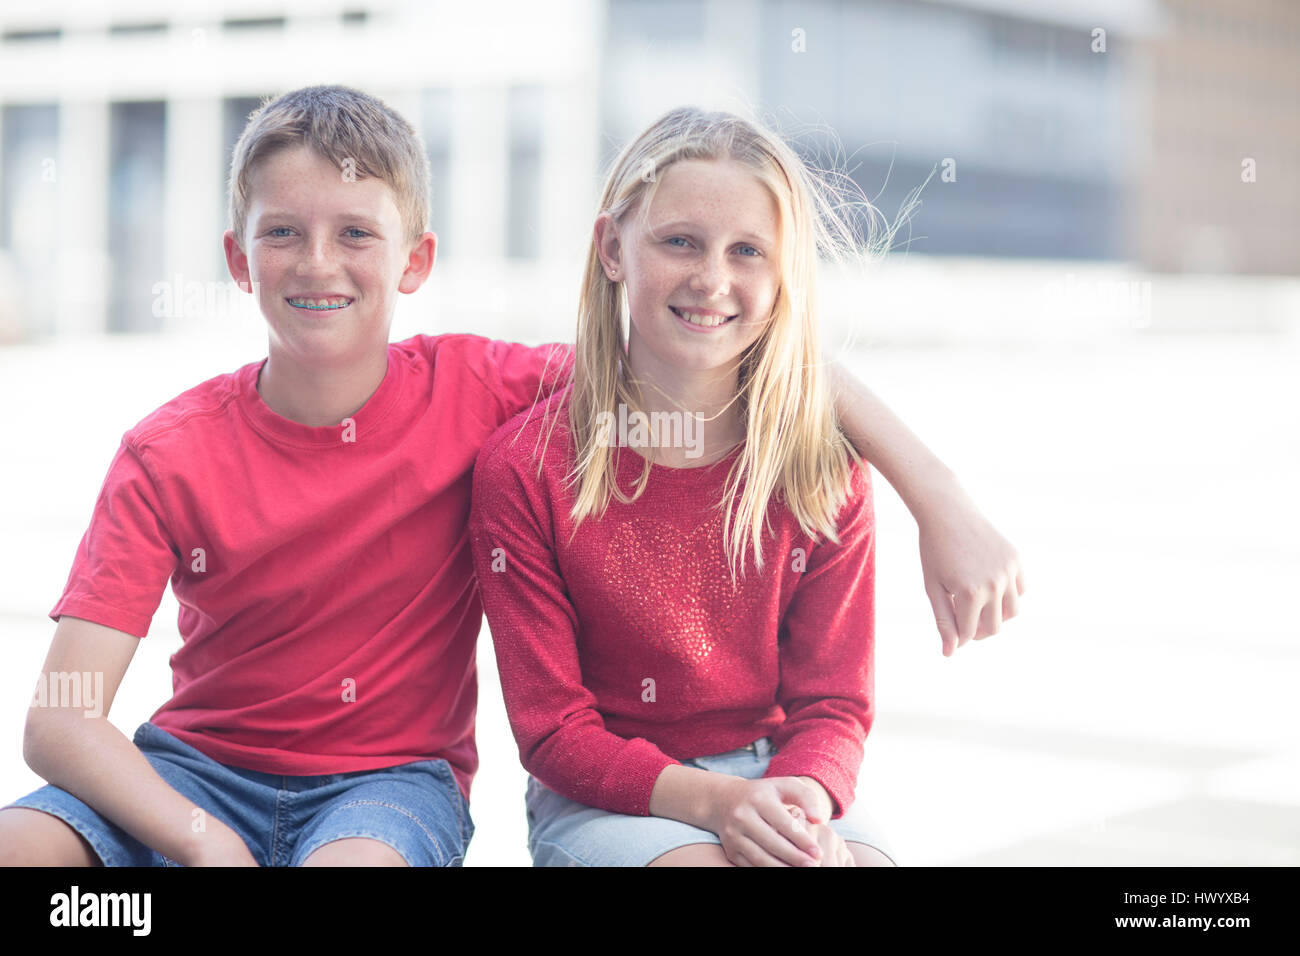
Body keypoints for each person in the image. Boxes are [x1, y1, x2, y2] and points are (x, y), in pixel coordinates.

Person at [0, 88, 1019, 868]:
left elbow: (732, 359)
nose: (319, 263)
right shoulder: (167, 451)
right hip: (189, 773)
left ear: (414, 258)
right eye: (283, 232)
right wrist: (198, 839)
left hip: (379, 790)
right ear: (235, 255)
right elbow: (61, 716)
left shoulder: (484, 389)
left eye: (356, 231)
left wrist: (938, 495)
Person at [468, 106, 1020, 867]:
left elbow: (833, 707)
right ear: (612, 248)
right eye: (681, 241)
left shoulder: (820, 470)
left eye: (748, 251)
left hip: (780, 773)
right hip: (615, 793)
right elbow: (554, 732)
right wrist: (723, 807)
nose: (712, 279)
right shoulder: (523, 470)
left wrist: (796, 807)